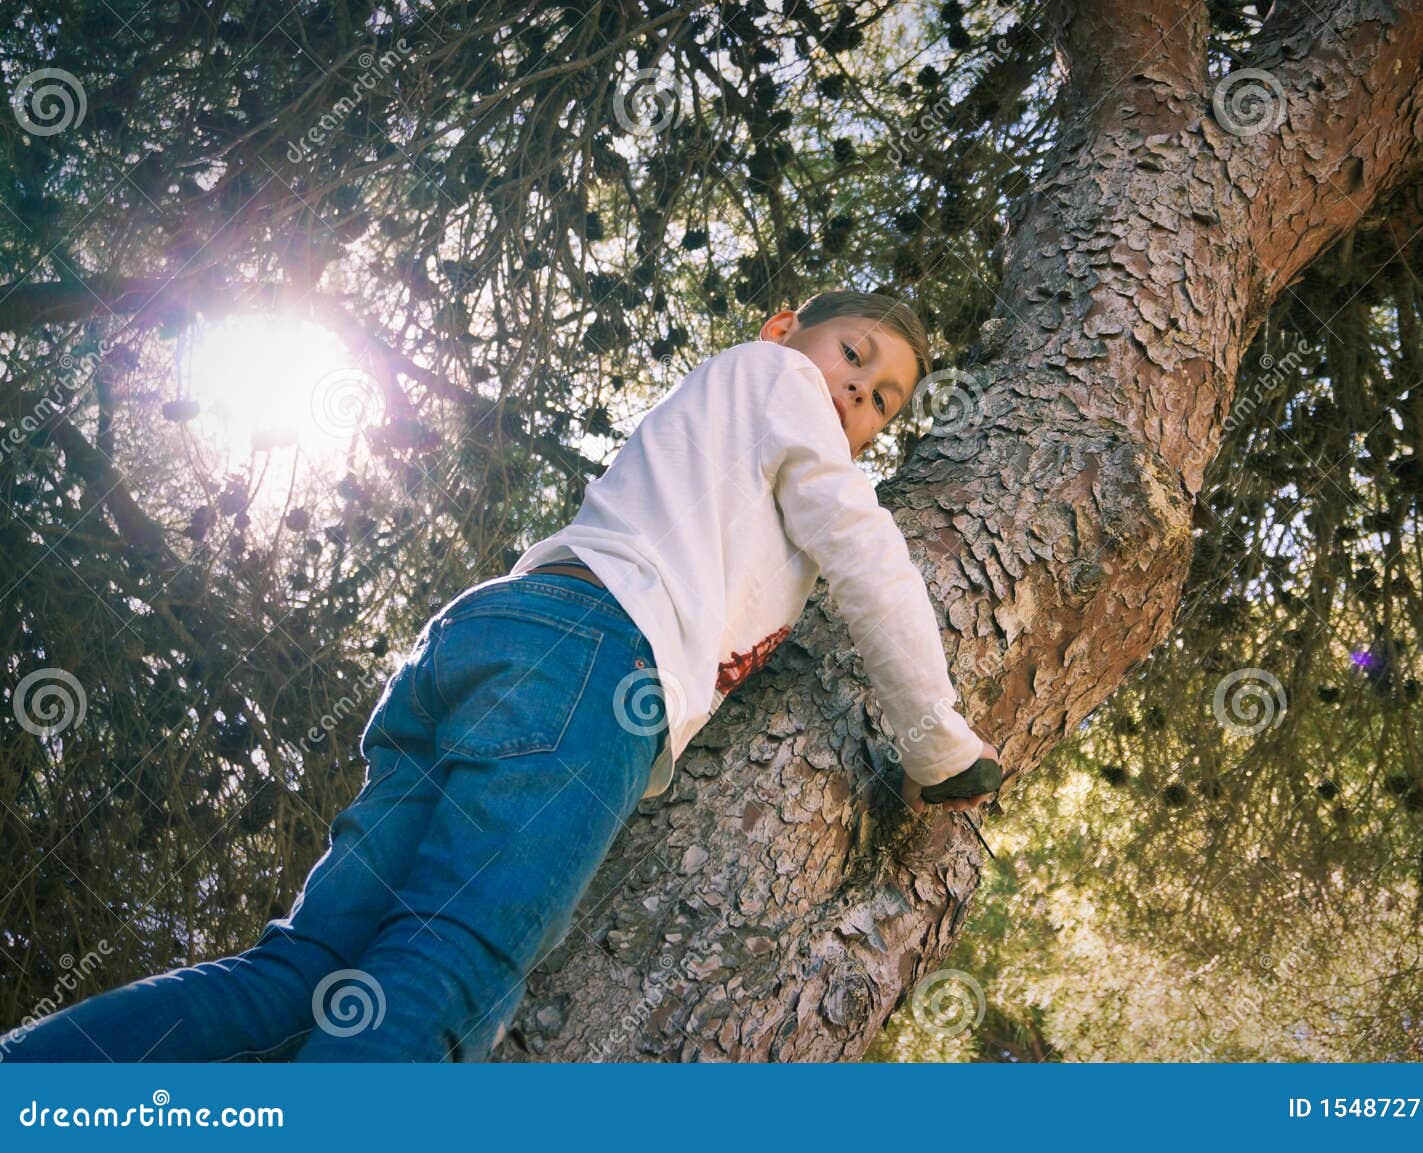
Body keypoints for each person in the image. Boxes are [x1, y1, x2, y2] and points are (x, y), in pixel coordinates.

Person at [2, 290, 1000, 1063]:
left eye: (880, 402)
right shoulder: (776, 384)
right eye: (852, 357)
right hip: (593, 660)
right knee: (439, 972)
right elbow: (866, 549)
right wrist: (934, 737)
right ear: (785, 330)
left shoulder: (729, 426)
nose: (854, 396)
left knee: (306, 971)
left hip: (493, 643)